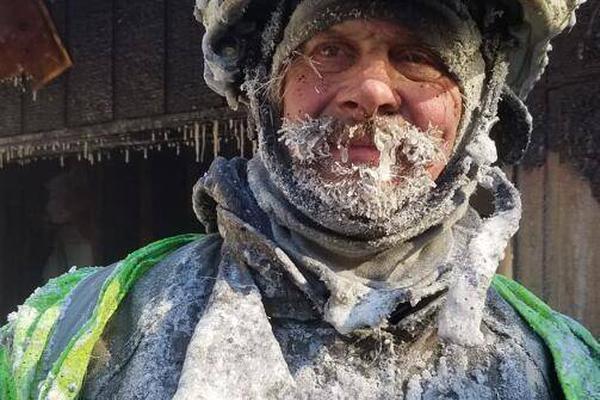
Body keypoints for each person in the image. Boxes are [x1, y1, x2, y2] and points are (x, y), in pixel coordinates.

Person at [1, 1, 598, 399]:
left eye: (419, 56)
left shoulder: (563, 368)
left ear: (477, 109)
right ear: (266, 88)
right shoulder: (68, 336)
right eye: (329, 50)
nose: (369, 91)